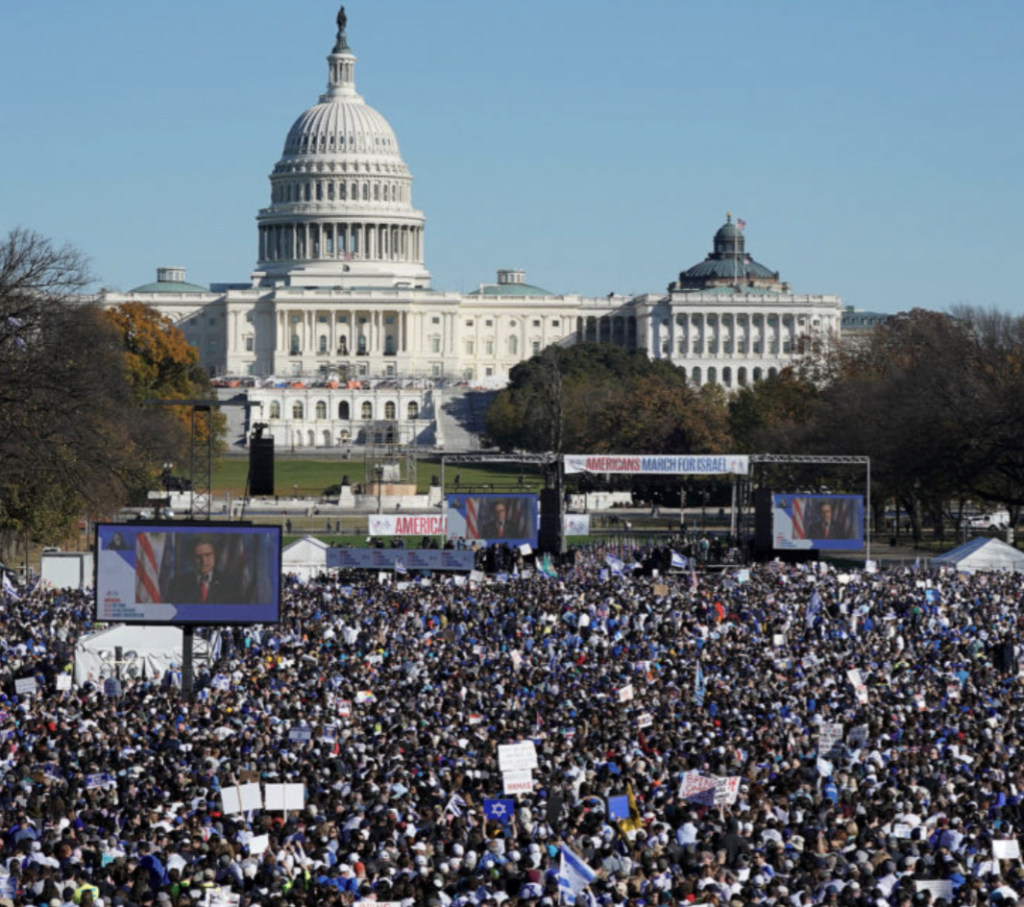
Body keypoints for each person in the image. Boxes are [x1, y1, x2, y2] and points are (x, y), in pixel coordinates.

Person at [164, 537, 247, 604]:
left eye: (208, 555)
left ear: (215, 556)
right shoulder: (177, 584)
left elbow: (238, 614)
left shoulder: (231, 584)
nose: (204, 561)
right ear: (191, 558)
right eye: (198, 557)